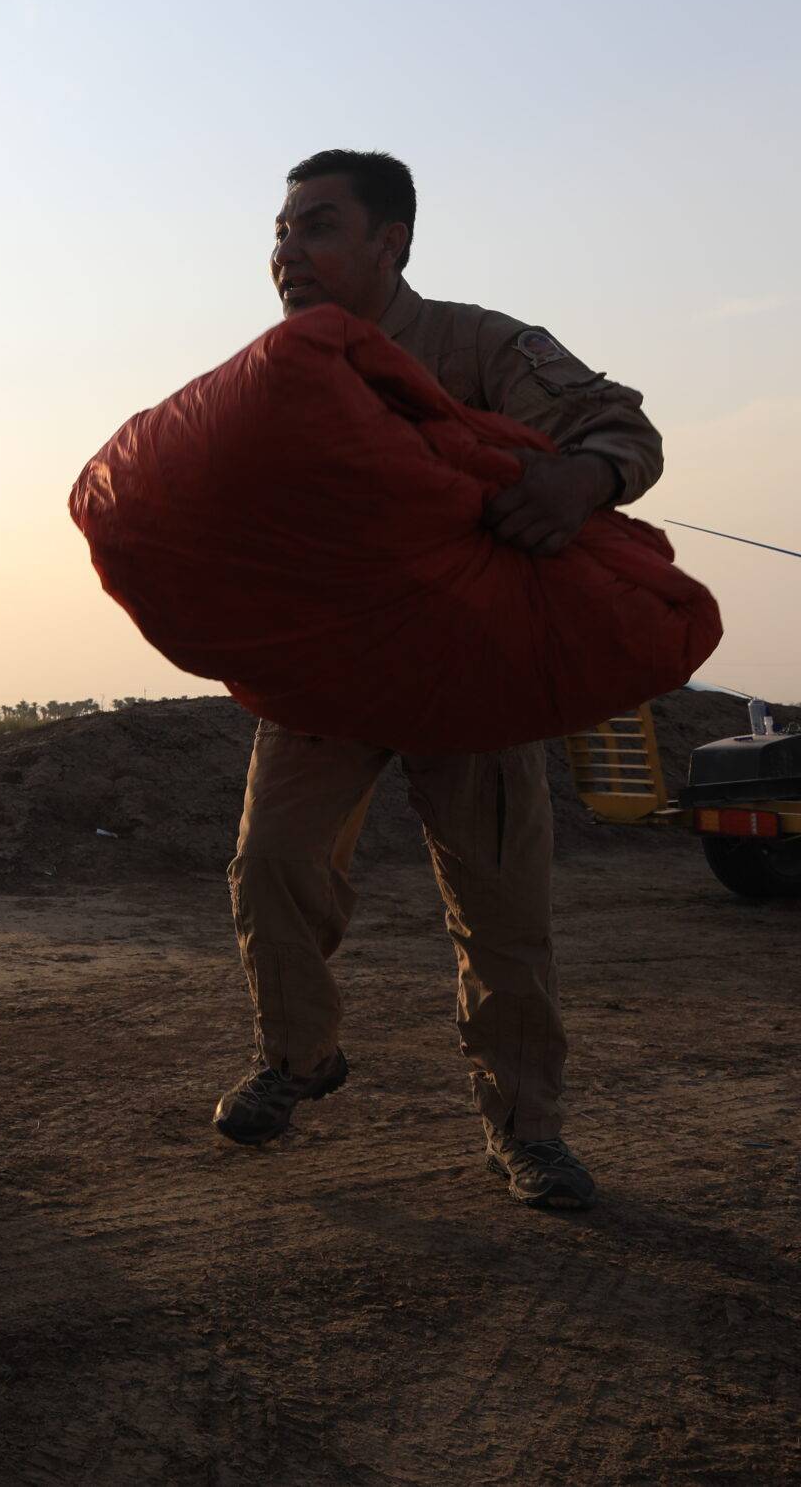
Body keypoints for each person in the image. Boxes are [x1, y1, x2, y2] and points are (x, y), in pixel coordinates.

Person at [214, 150, 665, 1211]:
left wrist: (572, 483)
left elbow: (623, 430)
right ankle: (297, 1060)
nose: (287, 251)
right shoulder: (276, 372)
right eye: (279, 231)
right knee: (271, 860)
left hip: (473, 672)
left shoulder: (479, 343)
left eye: (317, 226)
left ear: (390, 243)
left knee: (501, 913)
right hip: (332, 672)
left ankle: (528, 1134)